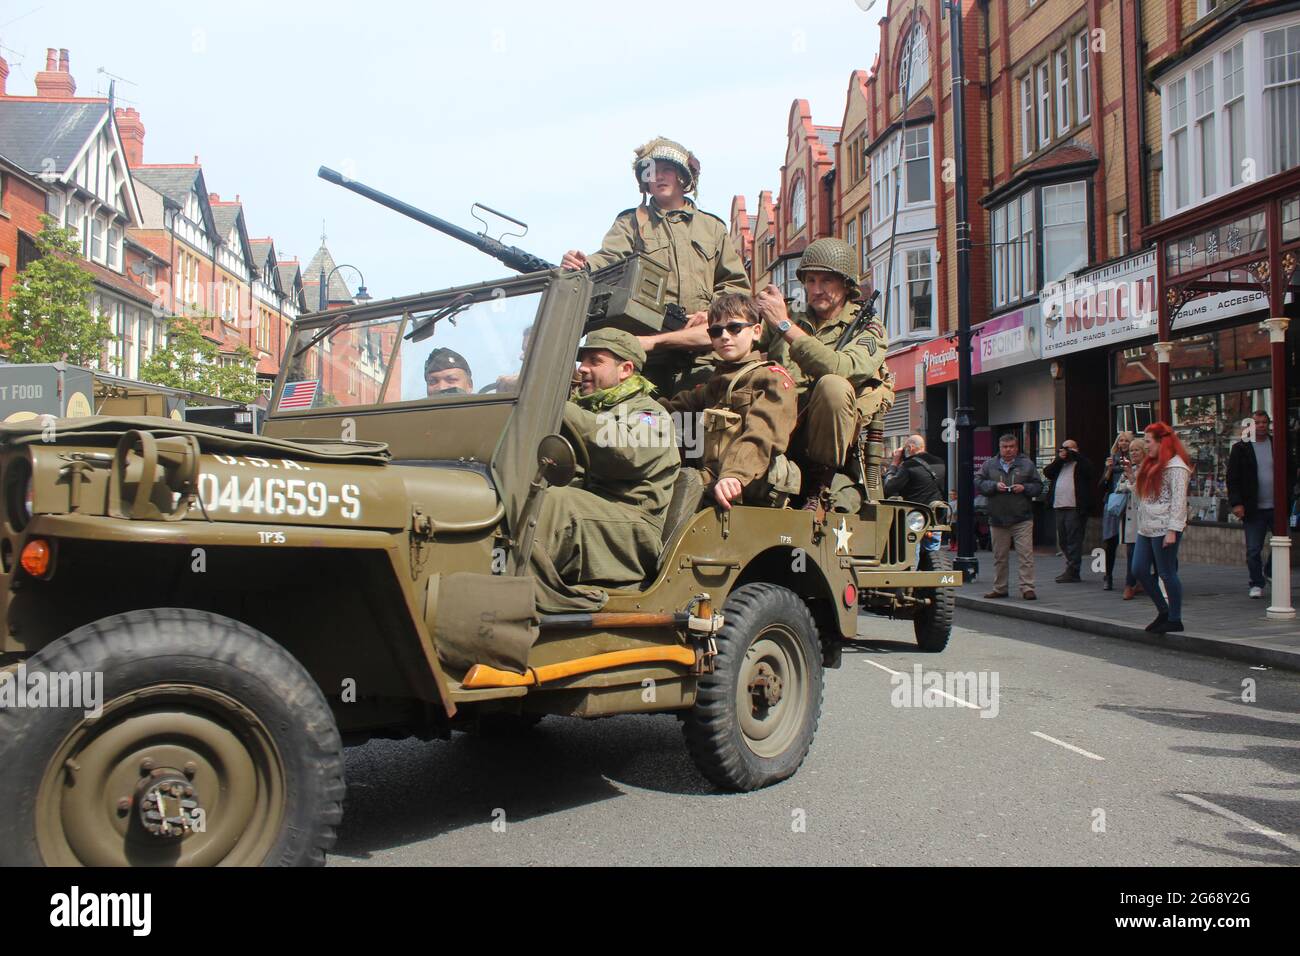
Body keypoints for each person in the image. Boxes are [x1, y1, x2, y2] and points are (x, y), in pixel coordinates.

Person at [642, 237, 892, 510]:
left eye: (825, 281)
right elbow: (735, 332)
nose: (816, 289)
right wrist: (656, 341)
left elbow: (840, 368)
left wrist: (783, 324)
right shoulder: (792, 312)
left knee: (833, 385)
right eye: (810, 281)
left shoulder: (867, 328)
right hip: (779, 422)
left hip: (826, 437)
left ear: (846, 284)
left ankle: (819, 487)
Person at [562, 137, 750, 394]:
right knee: (645, 425)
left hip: (704, 353)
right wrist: (584, 265)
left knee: (700, 426)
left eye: (667, 170)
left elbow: (735, 286)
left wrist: (712, 314)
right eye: (651, 172)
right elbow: (608, 258)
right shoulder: (630, 223)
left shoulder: (712, 228)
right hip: (648, 353)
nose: (659, 177)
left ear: (683, 177)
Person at [530, 328, 680, 612]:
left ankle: (520, 605)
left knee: (555, 504)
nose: (582, 369)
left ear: (625, 369)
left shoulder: (650, 415)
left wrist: (559, 407)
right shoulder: (587, 408)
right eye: (581, 361)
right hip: (591, 513)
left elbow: (626, 452)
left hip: (632, 527)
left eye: (595, 361)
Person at [660, 293, 797, 510]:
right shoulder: (714, 383)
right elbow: (670, 409)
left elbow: (762, 434)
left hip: (753, 481)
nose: (724, 336)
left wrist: (734, 475)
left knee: (685, 484)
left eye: (734, 328)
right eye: (716, 331)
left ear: (756, 332)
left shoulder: (771, 378)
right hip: (715, 478)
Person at [1131, 422, 1191, 634]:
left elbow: (1178, 500)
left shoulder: (1176, 467)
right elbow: (1145, 495)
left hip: (1165, 527)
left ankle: (1175, 618)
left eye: (1148, 441)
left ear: (1161, 442)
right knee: (1138, 568)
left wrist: (1173, 530)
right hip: (1146, 526)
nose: (1146, 446)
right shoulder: (1152, 464)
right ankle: (1163, 611)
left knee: (1166, 572)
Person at [976, 433, 1043, 600]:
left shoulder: (1026, 464)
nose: (1008, 450)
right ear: (1000, 448)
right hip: (998, 518)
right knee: (1000, 557)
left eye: (1011, 447)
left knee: (1025, 555)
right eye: (1005, 447)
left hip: (1022, 517)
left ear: (1016, 447)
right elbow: (978, 482)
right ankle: (1000, 588)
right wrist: (993, 486)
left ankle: (1027, 587)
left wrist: (1024, 488)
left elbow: (1038, 486)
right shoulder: (989, 464)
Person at [1227, 409, 1276, 598]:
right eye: (1258, 423)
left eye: (1265, 422)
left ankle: (1271, 572)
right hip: (1253, 506)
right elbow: (1233, 478)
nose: (1262, 426)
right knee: (1253, 549)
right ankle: (1256, 582)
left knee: (1282, 543)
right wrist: (1237, 503)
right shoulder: (1242, 448)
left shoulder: (1277, 444)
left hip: (1276, 505)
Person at [885, 434, 946, 564]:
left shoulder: (909, 465)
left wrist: (895, 463)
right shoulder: (940, 462)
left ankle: (912, 582)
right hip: (935, 517)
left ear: (911, 447)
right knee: (933, 555)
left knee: (913, 555)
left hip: (914, 519)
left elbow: (889, 487)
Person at [1043, 438, 1095, 583]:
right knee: (1064, 541)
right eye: (1064, 448)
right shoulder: (1059, 464)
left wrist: (1076, 455)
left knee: (1074, 540)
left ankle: (1073, 570)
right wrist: (1060, 459)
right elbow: (1047, 472)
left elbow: (1090, 471)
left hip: (1074, 508)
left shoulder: (1081, 464)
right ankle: (1070, 567)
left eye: (1070, 448)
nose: (1067, 451)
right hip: (1059, 506)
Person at [1099, 432, 1134, 591]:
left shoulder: (1136, 459)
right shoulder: (1112, 459)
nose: (1124, 443)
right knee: (1110, 541)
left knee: (1131, 543)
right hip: (1113, 503)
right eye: (1121, 440)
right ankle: (1108, 576)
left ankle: (1131, 579)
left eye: (1127, 440)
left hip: (1131, 504)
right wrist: (1109, 470)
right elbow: (1101, 485)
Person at [1117, 435, 1148, 600]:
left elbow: (1141, 490)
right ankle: (1129, 584)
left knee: (1148, 554)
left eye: (1136, 450)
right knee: (1131, 552)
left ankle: (1145, 582)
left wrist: (1131, 482)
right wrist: (1129, 481)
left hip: (1144, 516)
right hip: (1131, 517)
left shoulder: (1148, 468)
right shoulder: (1129, 469)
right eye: (1131, 451)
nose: (1133, 453)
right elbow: (1119, 487)